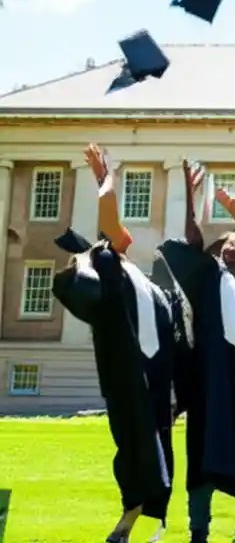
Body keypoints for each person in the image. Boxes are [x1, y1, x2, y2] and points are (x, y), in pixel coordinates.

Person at [50, 144, 179, 543]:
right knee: (135, 450)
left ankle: (142, 516)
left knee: (155, 450)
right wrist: (105, 179)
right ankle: (130, 515)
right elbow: (109, 217)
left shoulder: (136, 276)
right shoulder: (108, 268)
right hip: (129, 379)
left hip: (154, 377)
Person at [156, 160, 235, 543]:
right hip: (210, 386)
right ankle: (199, 528)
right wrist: (193, 199)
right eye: (226, 244)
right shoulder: (208, 280)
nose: (232, 247)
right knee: (203, 456)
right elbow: (192, 241)